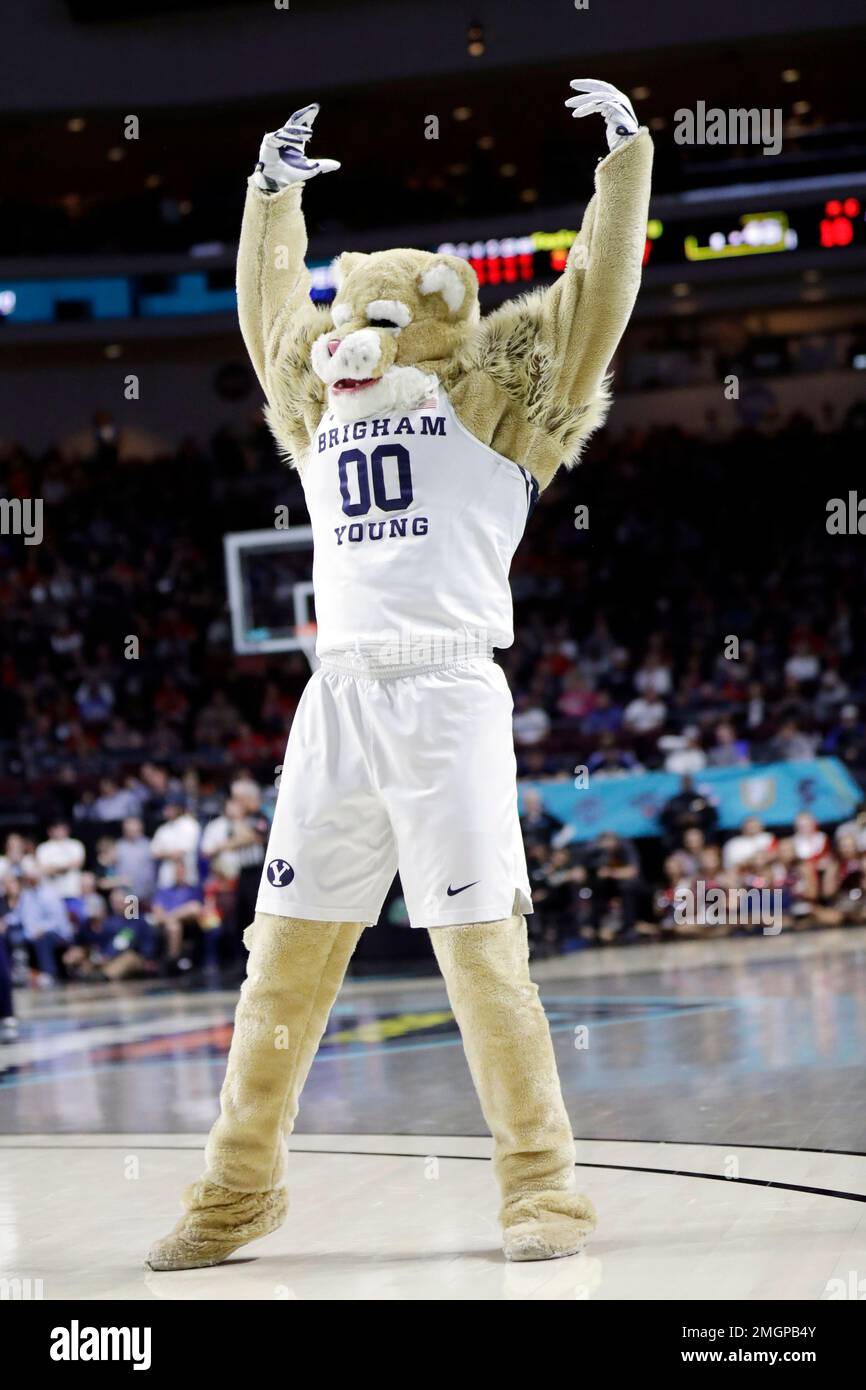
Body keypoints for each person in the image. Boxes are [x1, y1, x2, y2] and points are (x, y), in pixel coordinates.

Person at [35, 821, 86, 907]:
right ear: (50, 831)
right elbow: (43, 868)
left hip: (72, 892)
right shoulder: (43, 848)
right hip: (51, 895)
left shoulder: (75, 845)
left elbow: (78, 863)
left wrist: (55, 868)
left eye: (62, 828)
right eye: (56, 828)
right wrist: (65, 867)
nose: (59, 831)